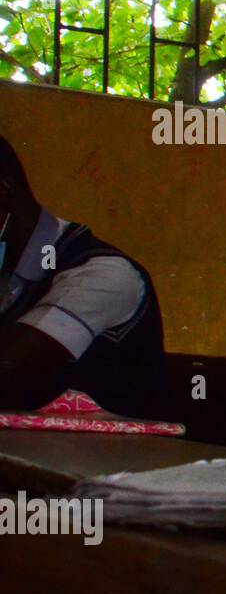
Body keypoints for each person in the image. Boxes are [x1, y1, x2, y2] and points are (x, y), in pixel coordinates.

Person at [0, 133, 174, 420]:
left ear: (3, 192)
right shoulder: (9, 277)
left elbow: (9, 362)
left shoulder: (106, 276)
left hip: (121, 462)